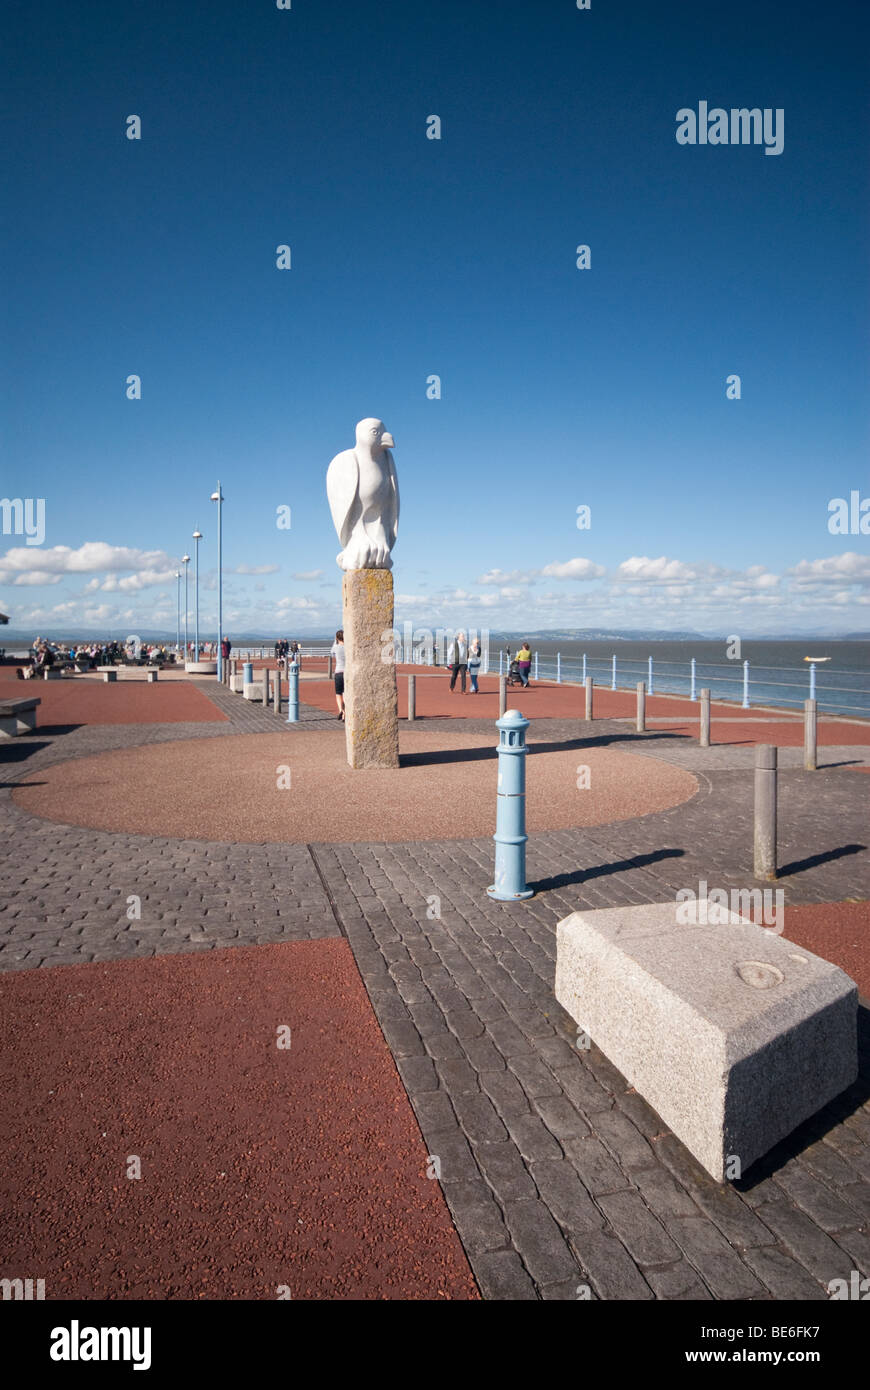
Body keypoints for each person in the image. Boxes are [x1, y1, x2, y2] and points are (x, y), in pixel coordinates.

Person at [331, 629, 346, 720]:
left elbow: (331, 653)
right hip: (347, 672)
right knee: (345, 693)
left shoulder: (336, 647)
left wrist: (335, 641)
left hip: (338, 672)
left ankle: (341, 710)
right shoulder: (348, 647)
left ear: (337, 638)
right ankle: (345, 713)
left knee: (338, 693)